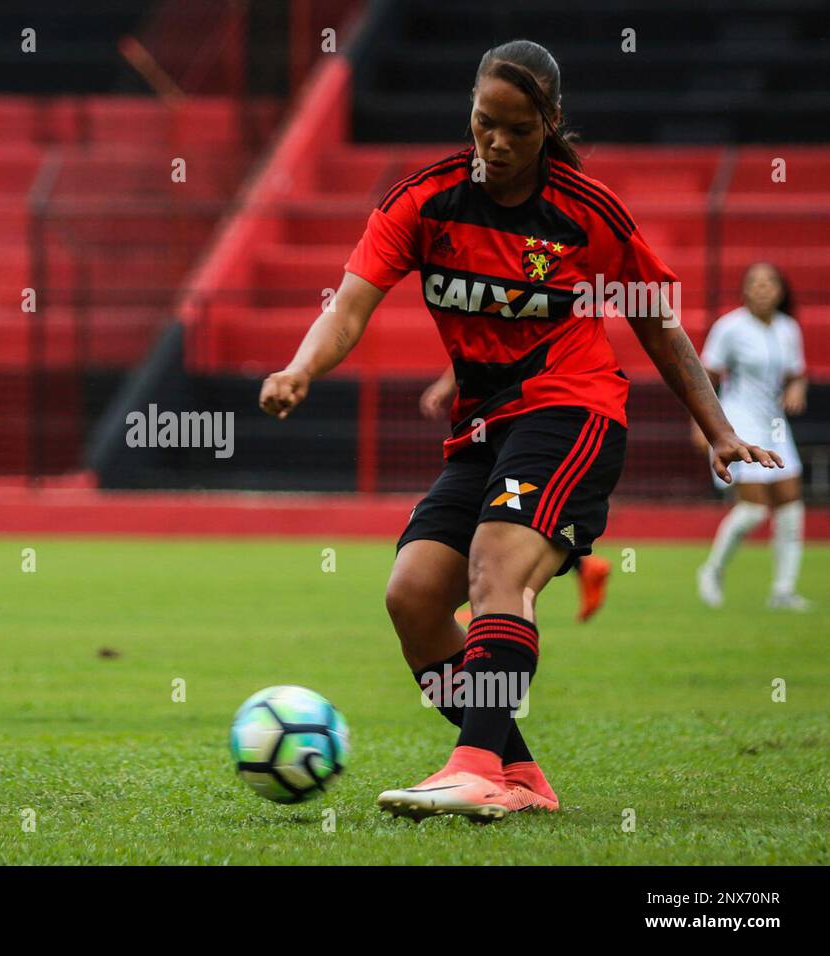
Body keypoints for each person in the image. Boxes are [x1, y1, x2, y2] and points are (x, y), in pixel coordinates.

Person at [259, 39, 781, 822]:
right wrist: (301, 369)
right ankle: (518, 773)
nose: (495, 144)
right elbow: (347, 307)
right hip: (484, 428)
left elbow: (660, 330)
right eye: (483, 124)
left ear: (550, 126)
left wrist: (718, 429)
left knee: (496, 562)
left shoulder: (586, 215)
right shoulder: (424, 201)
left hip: (574, 411)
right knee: (412, 598)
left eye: (516, 130)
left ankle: (471, 765)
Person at [421, 366, 612, 622]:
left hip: (533, 410)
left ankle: (496, 604)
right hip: (502, 413)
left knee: (506, 521)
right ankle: (581, 565)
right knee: (502, 510)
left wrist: (446, 384)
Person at [696, 262, 808, 610]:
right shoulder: (729, 328)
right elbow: (704, 378)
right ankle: (712, 569)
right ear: (745, 290)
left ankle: (783, 591)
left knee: (791, 507)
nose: (762, 289)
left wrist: (797, 390)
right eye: (754, 283)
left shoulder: (789, 328)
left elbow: (797, 374)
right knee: (755, 509)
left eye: (769, 282)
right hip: (739, 422)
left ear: (780, 290)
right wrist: (703, 427)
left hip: (775, 425)